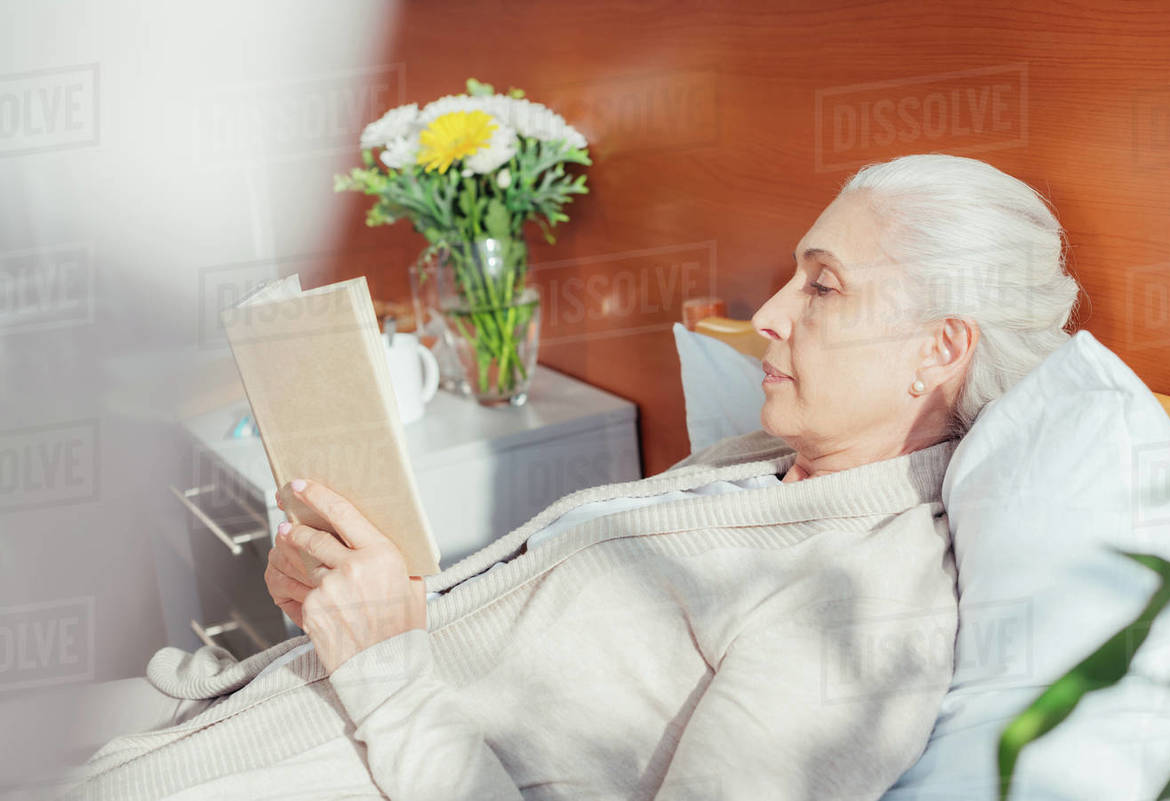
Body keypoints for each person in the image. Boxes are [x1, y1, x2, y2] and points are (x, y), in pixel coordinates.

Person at [67, 153, 1080, 801]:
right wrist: (358, 610)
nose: (768, 315)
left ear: (939, 348)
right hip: (228, 716)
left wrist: (381, 664)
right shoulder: (758, 468)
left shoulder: (867, 614)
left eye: (822, 286)